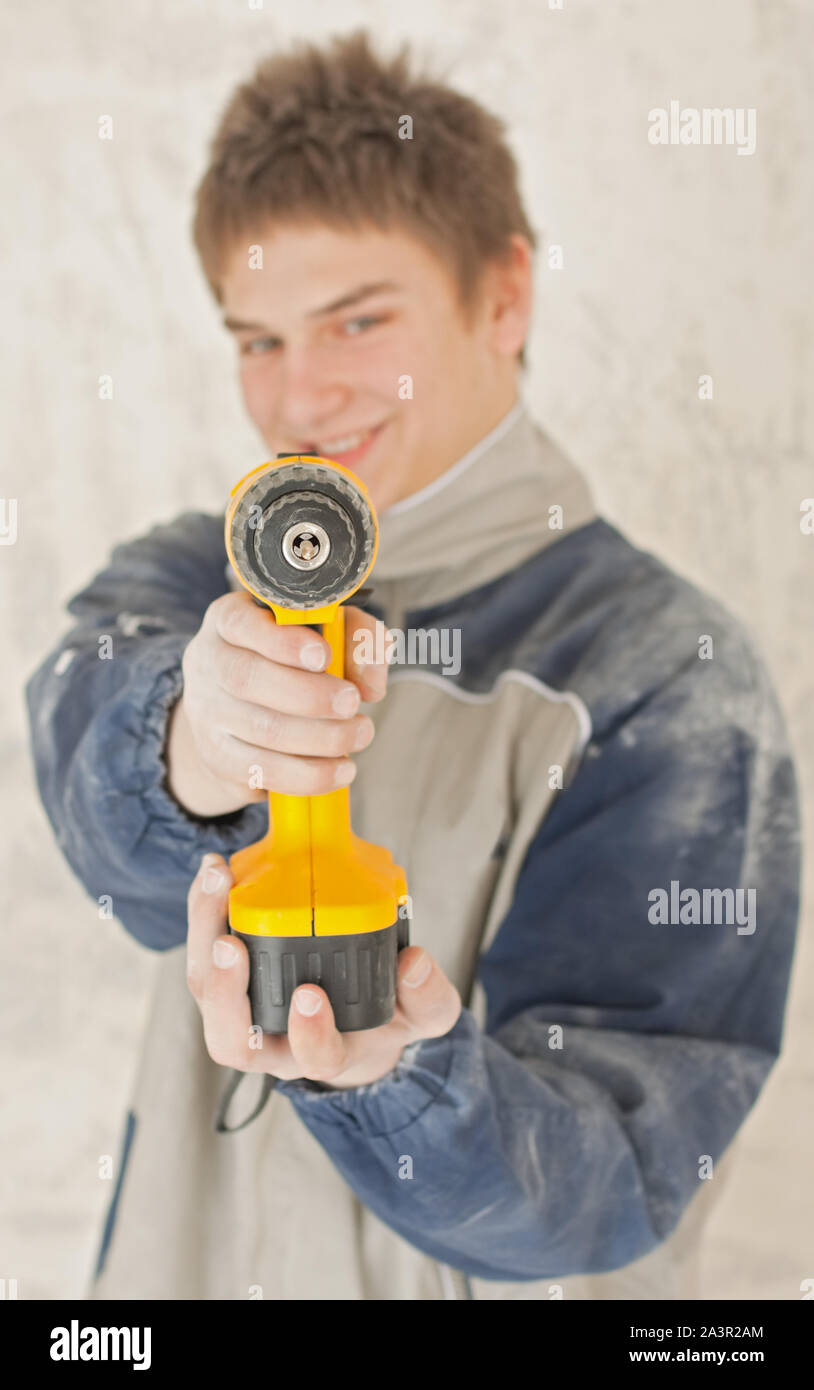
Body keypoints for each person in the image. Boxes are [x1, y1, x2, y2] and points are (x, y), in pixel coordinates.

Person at [25, 29, 800, 1301]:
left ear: (503, 296)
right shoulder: (189, 585)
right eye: (258, 339)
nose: (300, 397)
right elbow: (86, 759)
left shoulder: (663, 676)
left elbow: (624, 1163)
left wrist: (395, 1074)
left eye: (357, 321)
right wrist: (191, 743)